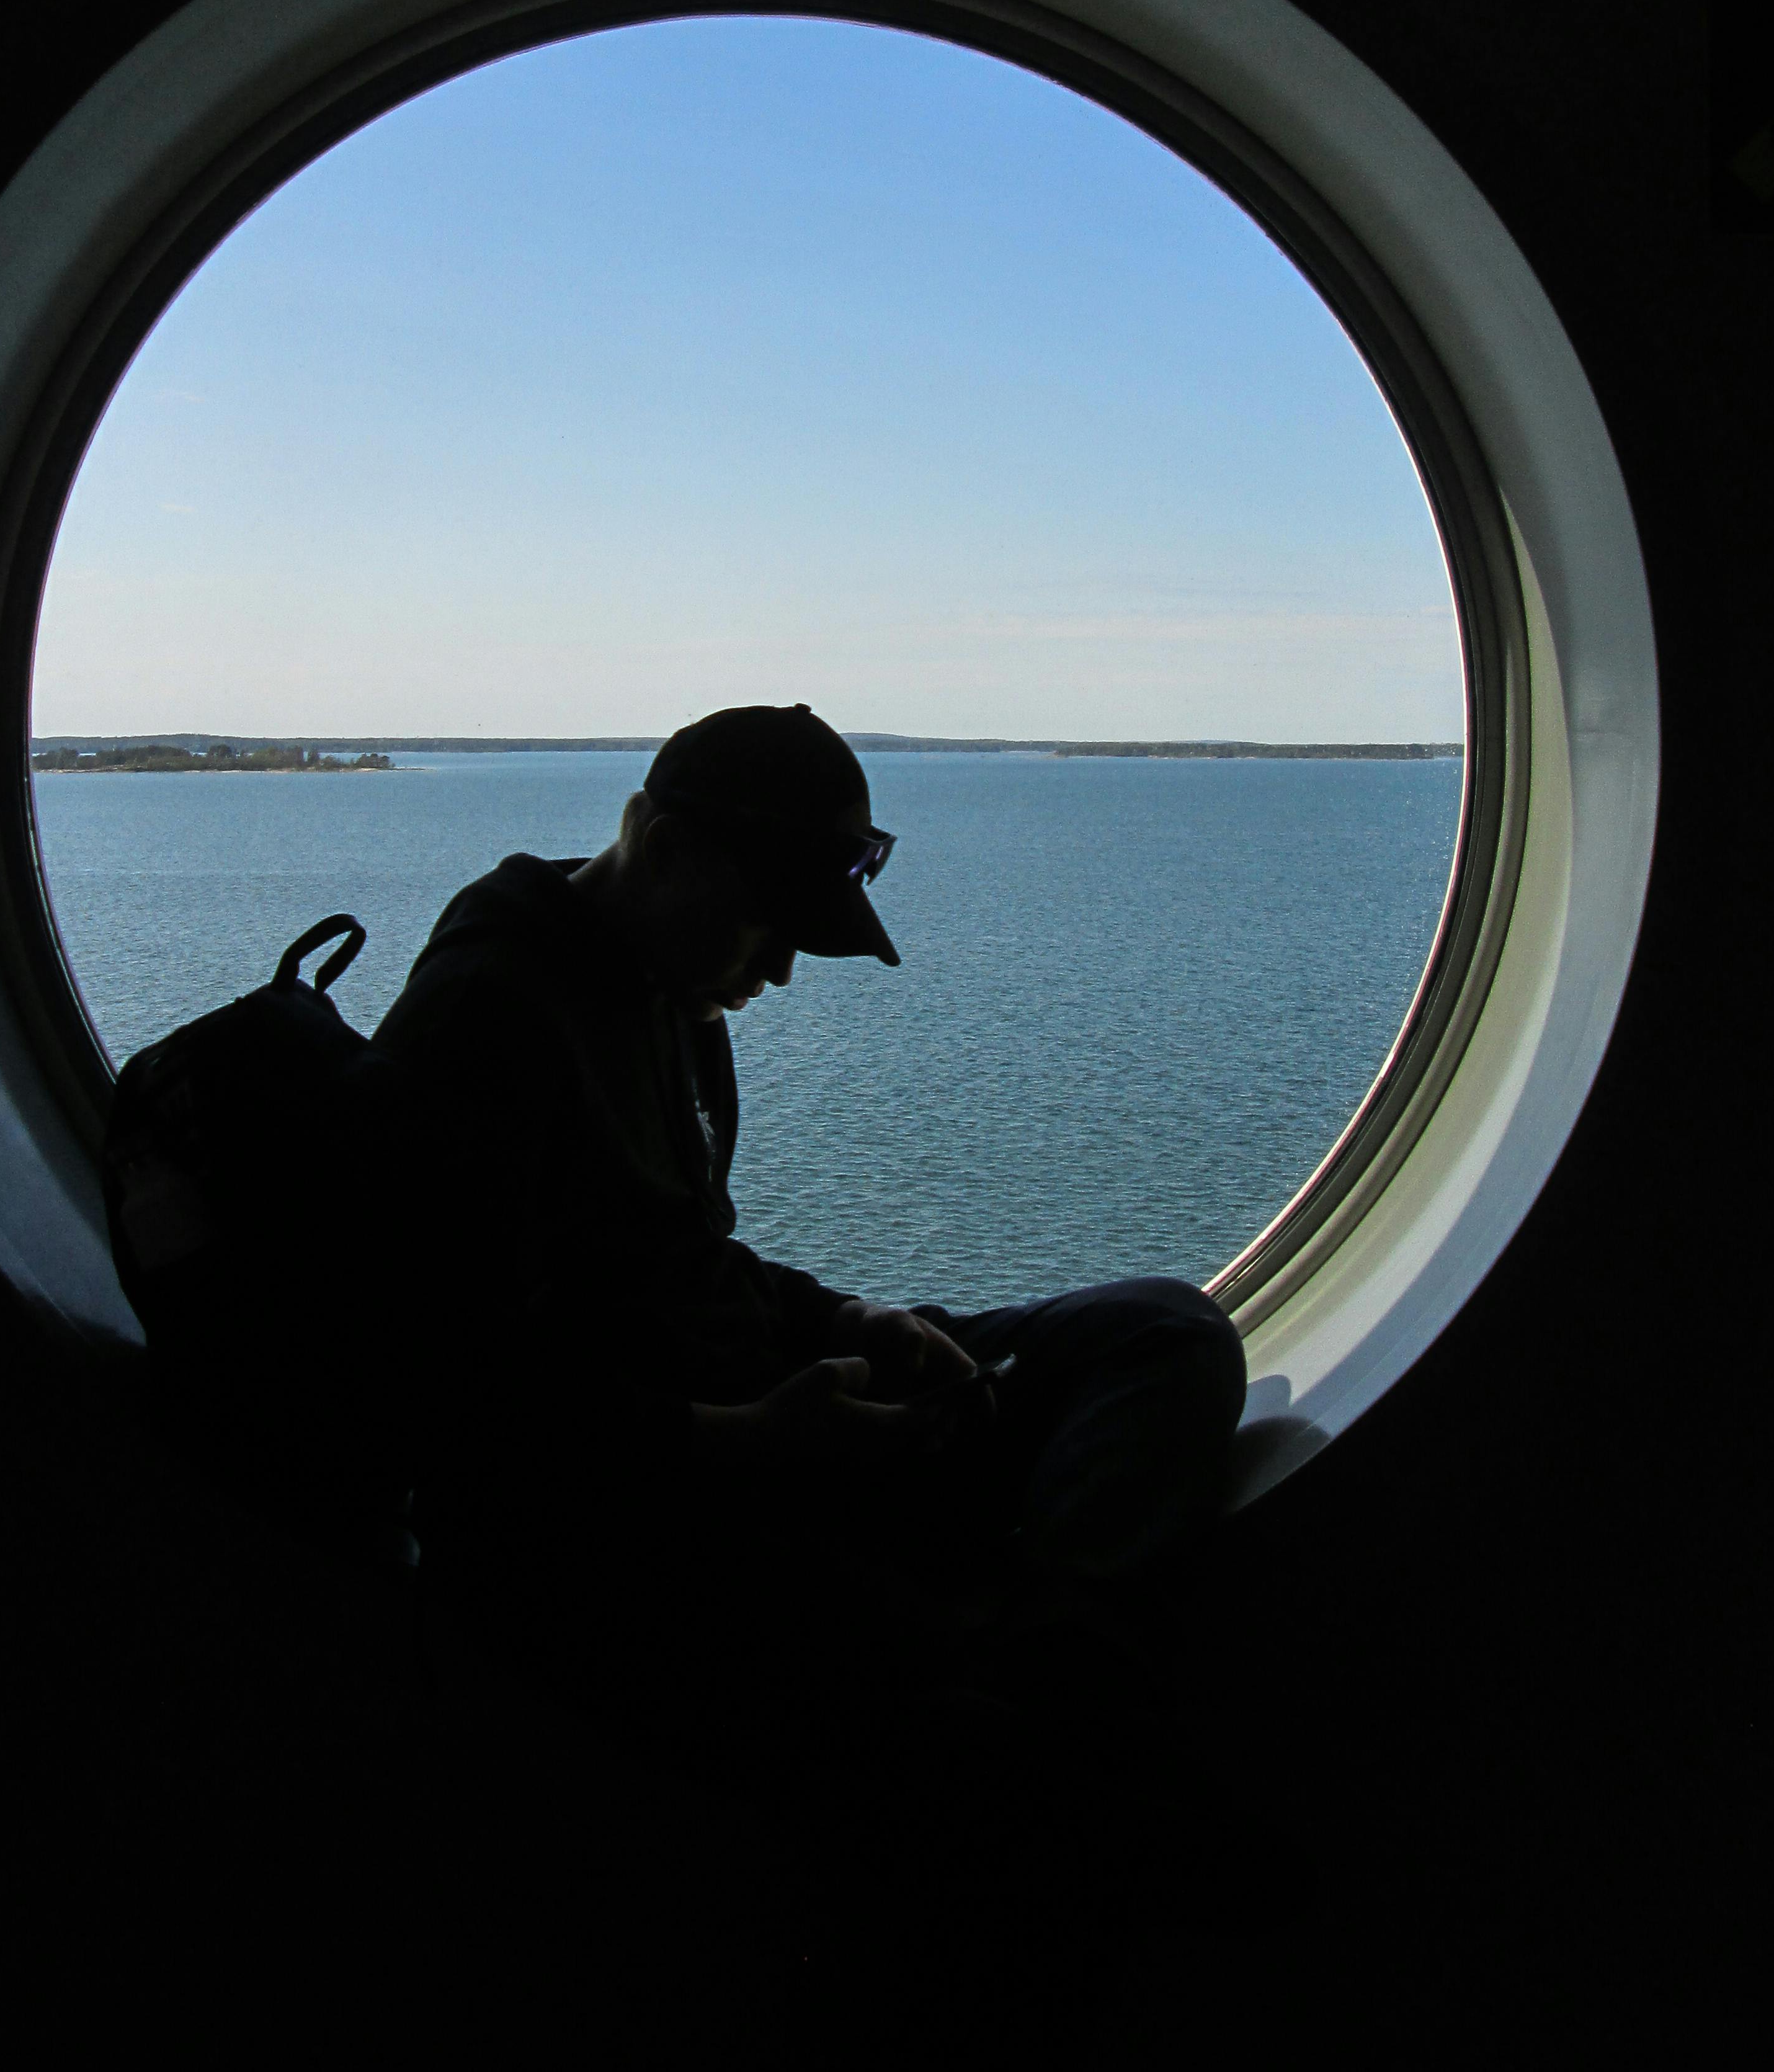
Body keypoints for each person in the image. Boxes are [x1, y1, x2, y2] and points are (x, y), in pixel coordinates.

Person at [371, 703, 1246, 1771]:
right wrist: (744, 1437)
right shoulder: (482, 1020)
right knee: (961, 1715)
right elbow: (441, 1395)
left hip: (765, 1408)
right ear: (662, 847)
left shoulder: (665, 979)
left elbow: (679, 1255)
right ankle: (1028, 1663)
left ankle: (1037, 1644)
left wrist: (843, 1317)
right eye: (765, 925)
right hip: (651, 1505)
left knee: (1165, 1331)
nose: (781, 970)